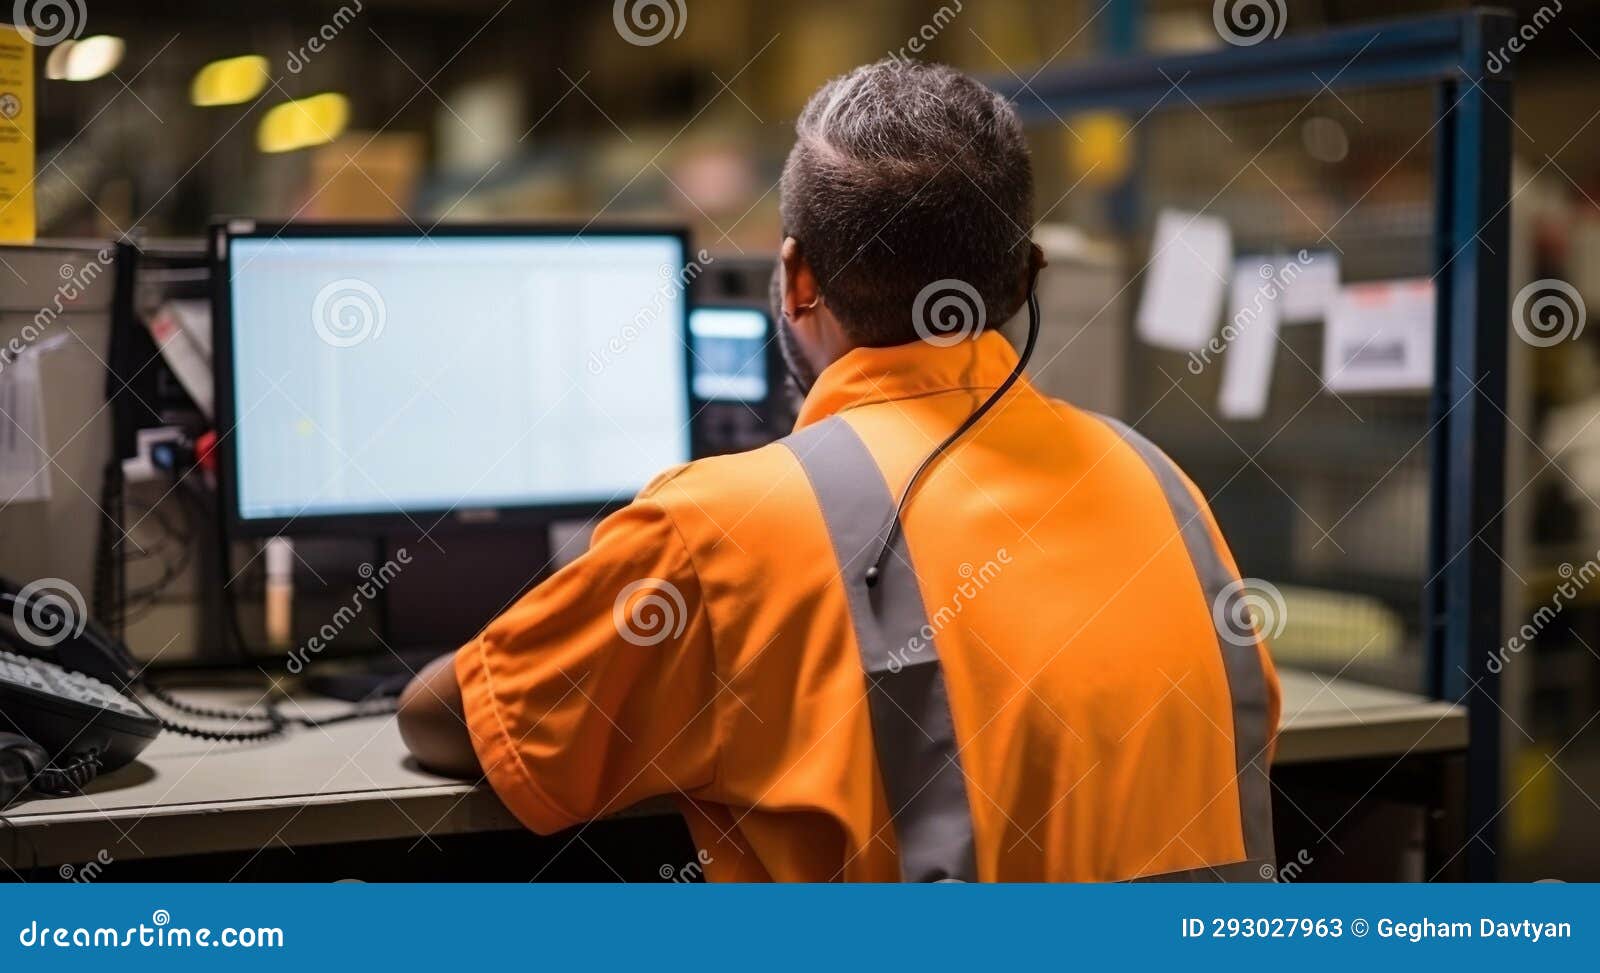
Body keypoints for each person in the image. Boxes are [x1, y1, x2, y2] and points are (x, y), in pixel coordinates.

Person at [398, 59, 1280, 882]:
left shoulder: (721, 527)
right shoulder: (1160, 484)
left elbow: (454, 721)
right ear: (1025, 279)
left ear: (794, 277)